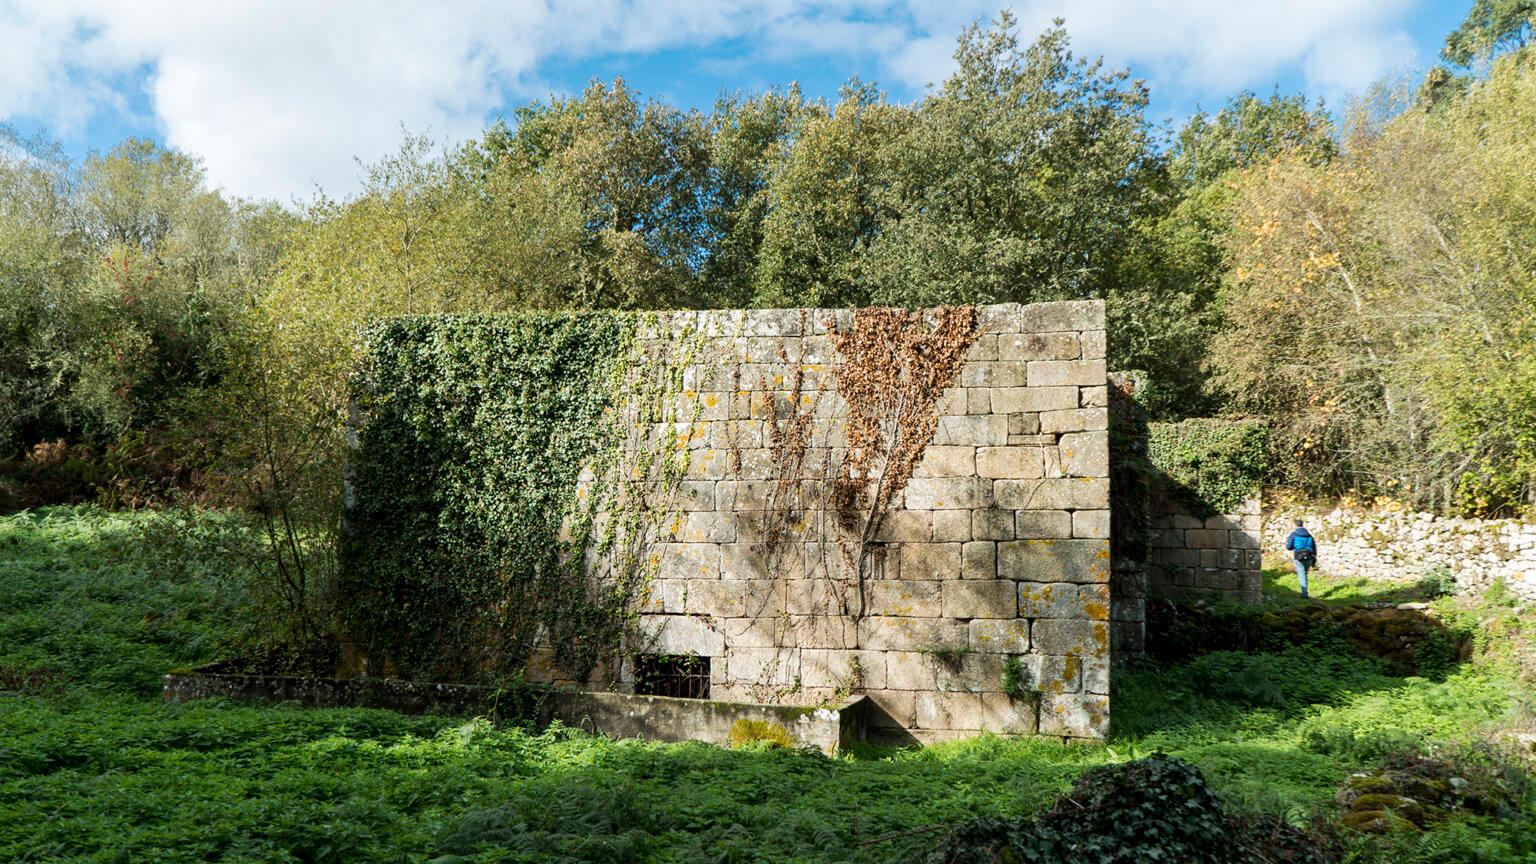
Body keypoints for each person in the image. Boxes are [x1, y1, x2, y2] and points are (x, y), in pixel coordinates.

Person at [1284, 518, 1318, 599]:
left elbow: (1288, 546)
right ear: (1303, 524)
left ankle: (1304, 594)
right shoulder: (1309, 535)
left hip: (1299, 557)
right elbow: (1314, 548)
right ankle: (1304, 591)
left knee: (1302, 575)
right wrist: (1314, 559)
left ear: (1296, 525)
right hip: (1309, 556)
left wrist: (1295, 547)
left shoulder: (1294, 534)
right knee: (1305, 574)